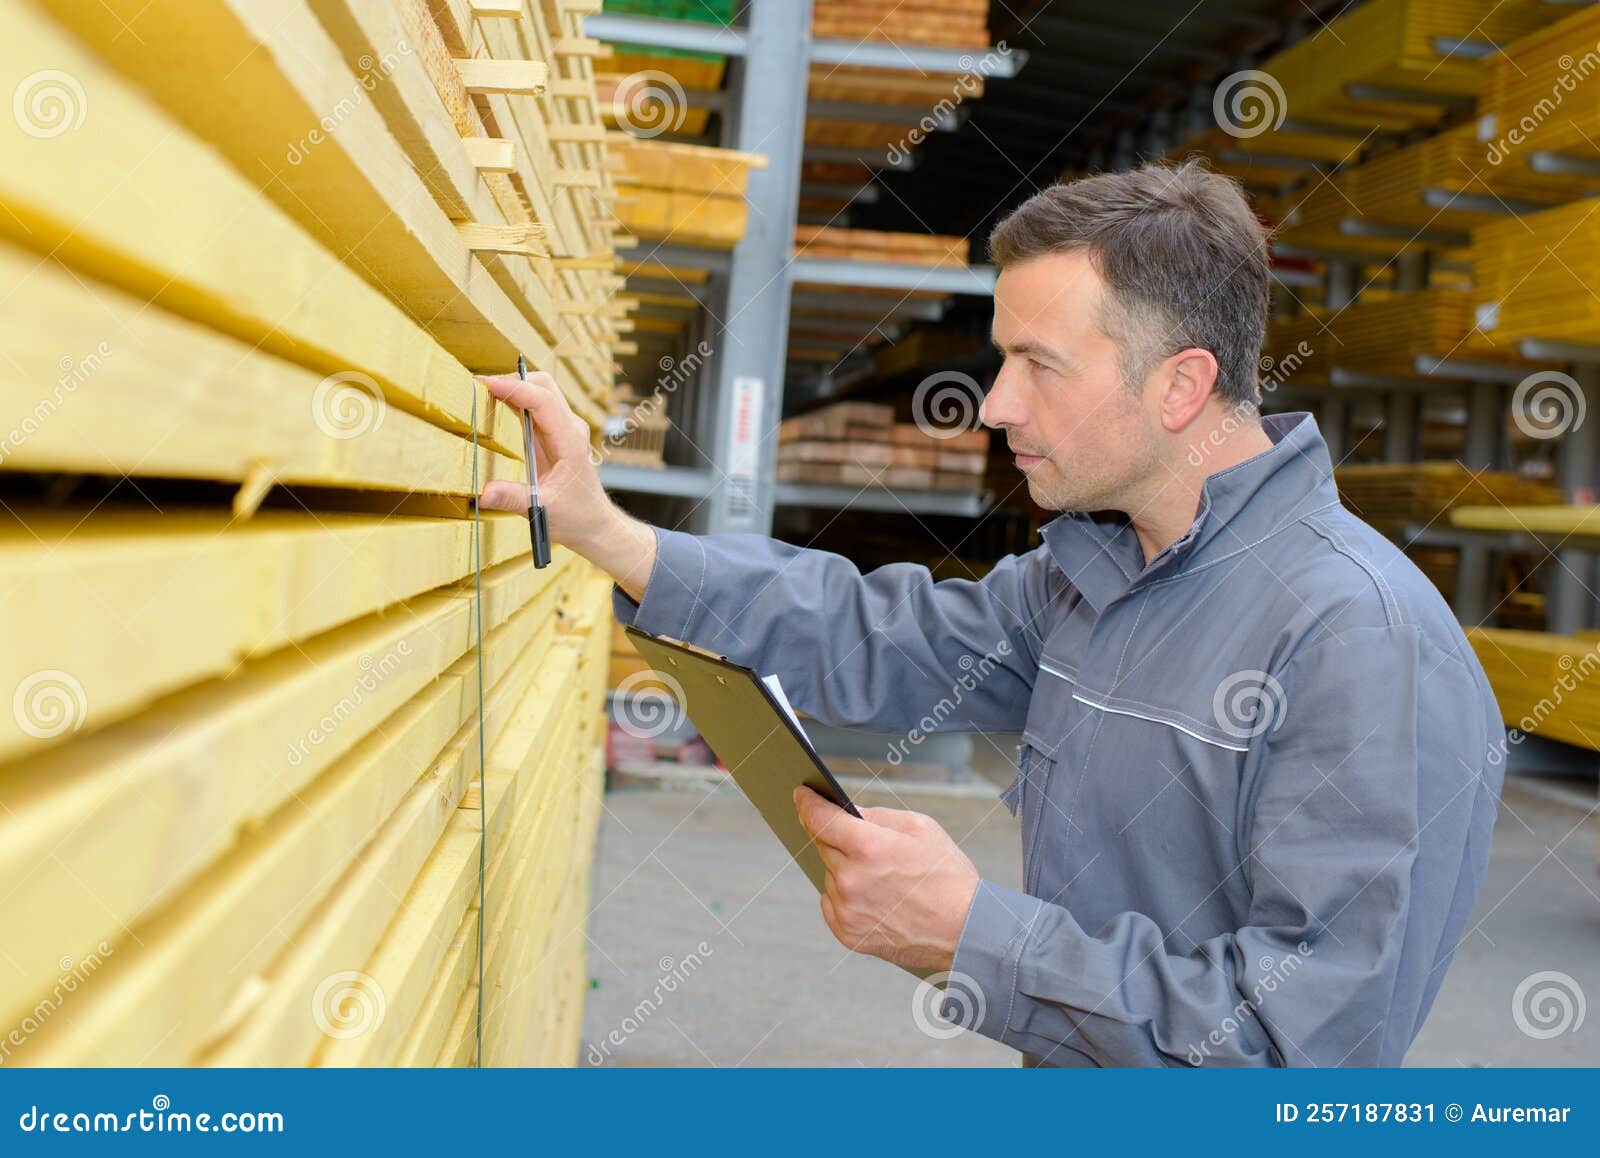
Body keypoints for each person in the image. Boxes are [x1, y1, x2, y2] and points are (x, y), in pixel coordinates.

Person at [477, 158, 1505, 1068]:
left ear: (1180, 386)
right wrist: (610, 534)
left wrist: (976, 936)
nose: (995, 403)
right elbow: (883, 636)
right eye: (1002, 357)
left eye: (1039, 364)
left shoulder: (1359, 641)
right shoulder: (1093, 574)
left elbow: (1297, 1055)